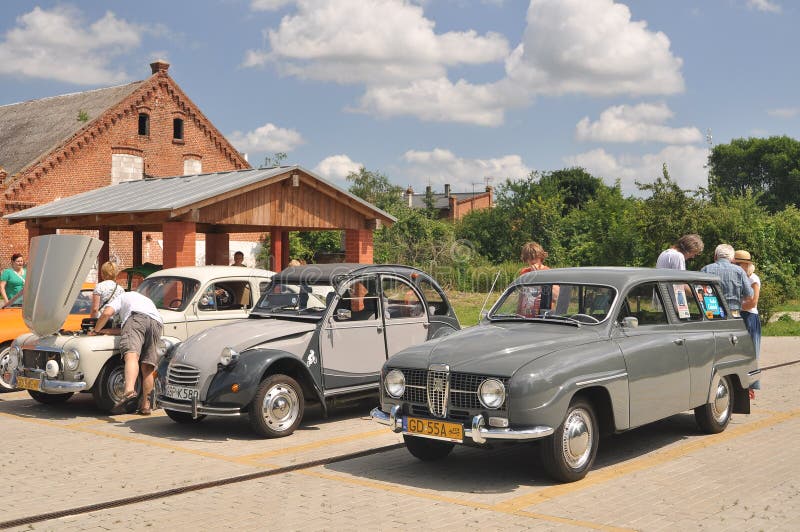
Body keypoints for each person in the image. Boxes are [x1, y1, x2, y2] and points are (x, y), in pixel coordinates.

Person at [88, 291, 163, 415]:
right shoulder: (143, 300)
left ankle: (129, 391)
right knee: (147, 366)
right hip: (157, 322)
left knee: (132, 355)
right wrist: (106, 331)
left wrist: (96, 330)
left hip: (136, 318)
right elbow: (126, 329)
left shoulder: (121, 297)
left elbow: (107, 313)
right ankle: (146, 405)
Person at [734, 250, 761, 398]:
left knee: (750, 353)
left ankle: (750, 386)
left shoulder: (753, 279)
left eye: (738, 264)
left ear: (745, 265)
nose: (736, 266)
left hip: (749, 317)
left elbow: (753, 302)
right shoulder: (739, 277)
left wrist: (734, 306)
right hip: (740, 316)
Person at [700, 244, 753, 315]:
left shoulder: (706, 269)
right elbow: (749, 296)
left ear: (715, 256)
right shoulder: (739, 271)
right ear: (732, 258)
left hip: (711, 313)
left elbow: (698, 292)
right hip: (733, 313)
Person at [517, 241, 557, 316]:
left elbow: (555, 297)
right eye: (528, 258)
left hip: (542, 316)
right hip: (525, 316)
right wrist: (518, 314)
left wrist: (539, 276)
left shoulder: (548, 272)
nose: (531, 261)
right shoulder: (524, 272)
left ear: (540, 257)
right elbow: (521, 296)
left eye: (534, 258)